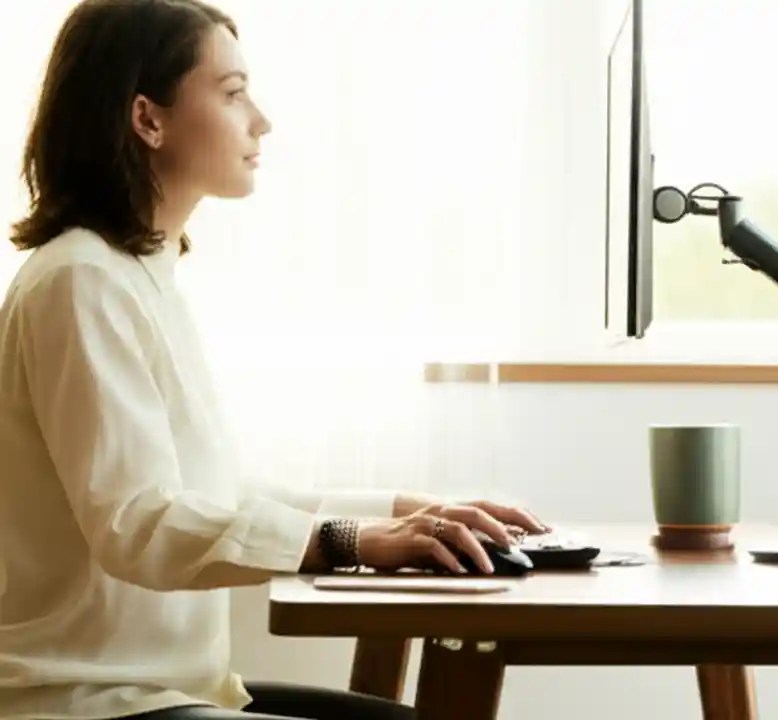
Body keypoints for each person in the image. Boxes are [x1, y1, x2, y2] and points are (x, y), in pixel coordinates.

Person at [0, 1, 548, 718]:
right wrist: (355, 542)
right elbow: (136, 525)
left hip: (164, 692)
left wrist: (400, 513)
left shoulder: (134, 276)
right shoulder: (81, 281)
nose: (261, 120)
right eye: (232, 94)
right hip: (92, 702)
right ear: (147, 118)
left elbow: (213, 491)